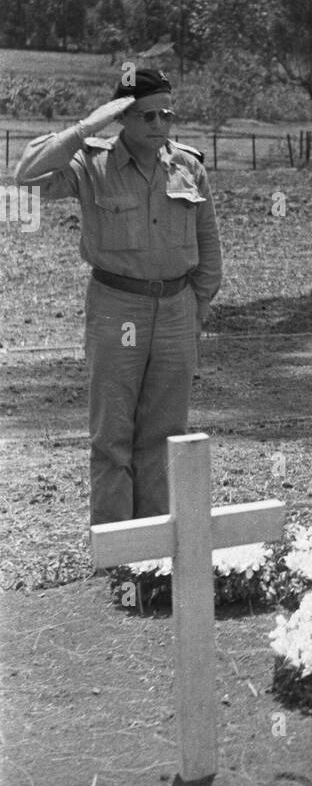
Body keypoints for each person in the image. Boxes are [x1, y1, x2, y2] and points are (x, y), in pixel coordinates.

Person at [14, 68, 222, 527]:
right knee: (112, 437)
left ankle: (155, 555)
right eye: (147, 115)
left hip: (175, 309)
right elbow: (25, 176)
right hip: (116, 307)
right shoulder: (91, 163)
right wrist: (86, 127)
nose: (159, 124)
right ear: (122, 119)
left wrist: (196, 308)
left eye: (166, 114)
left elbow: (209, 248)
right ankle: (116, 556)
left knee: (167, 436)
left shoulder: (188, 166)